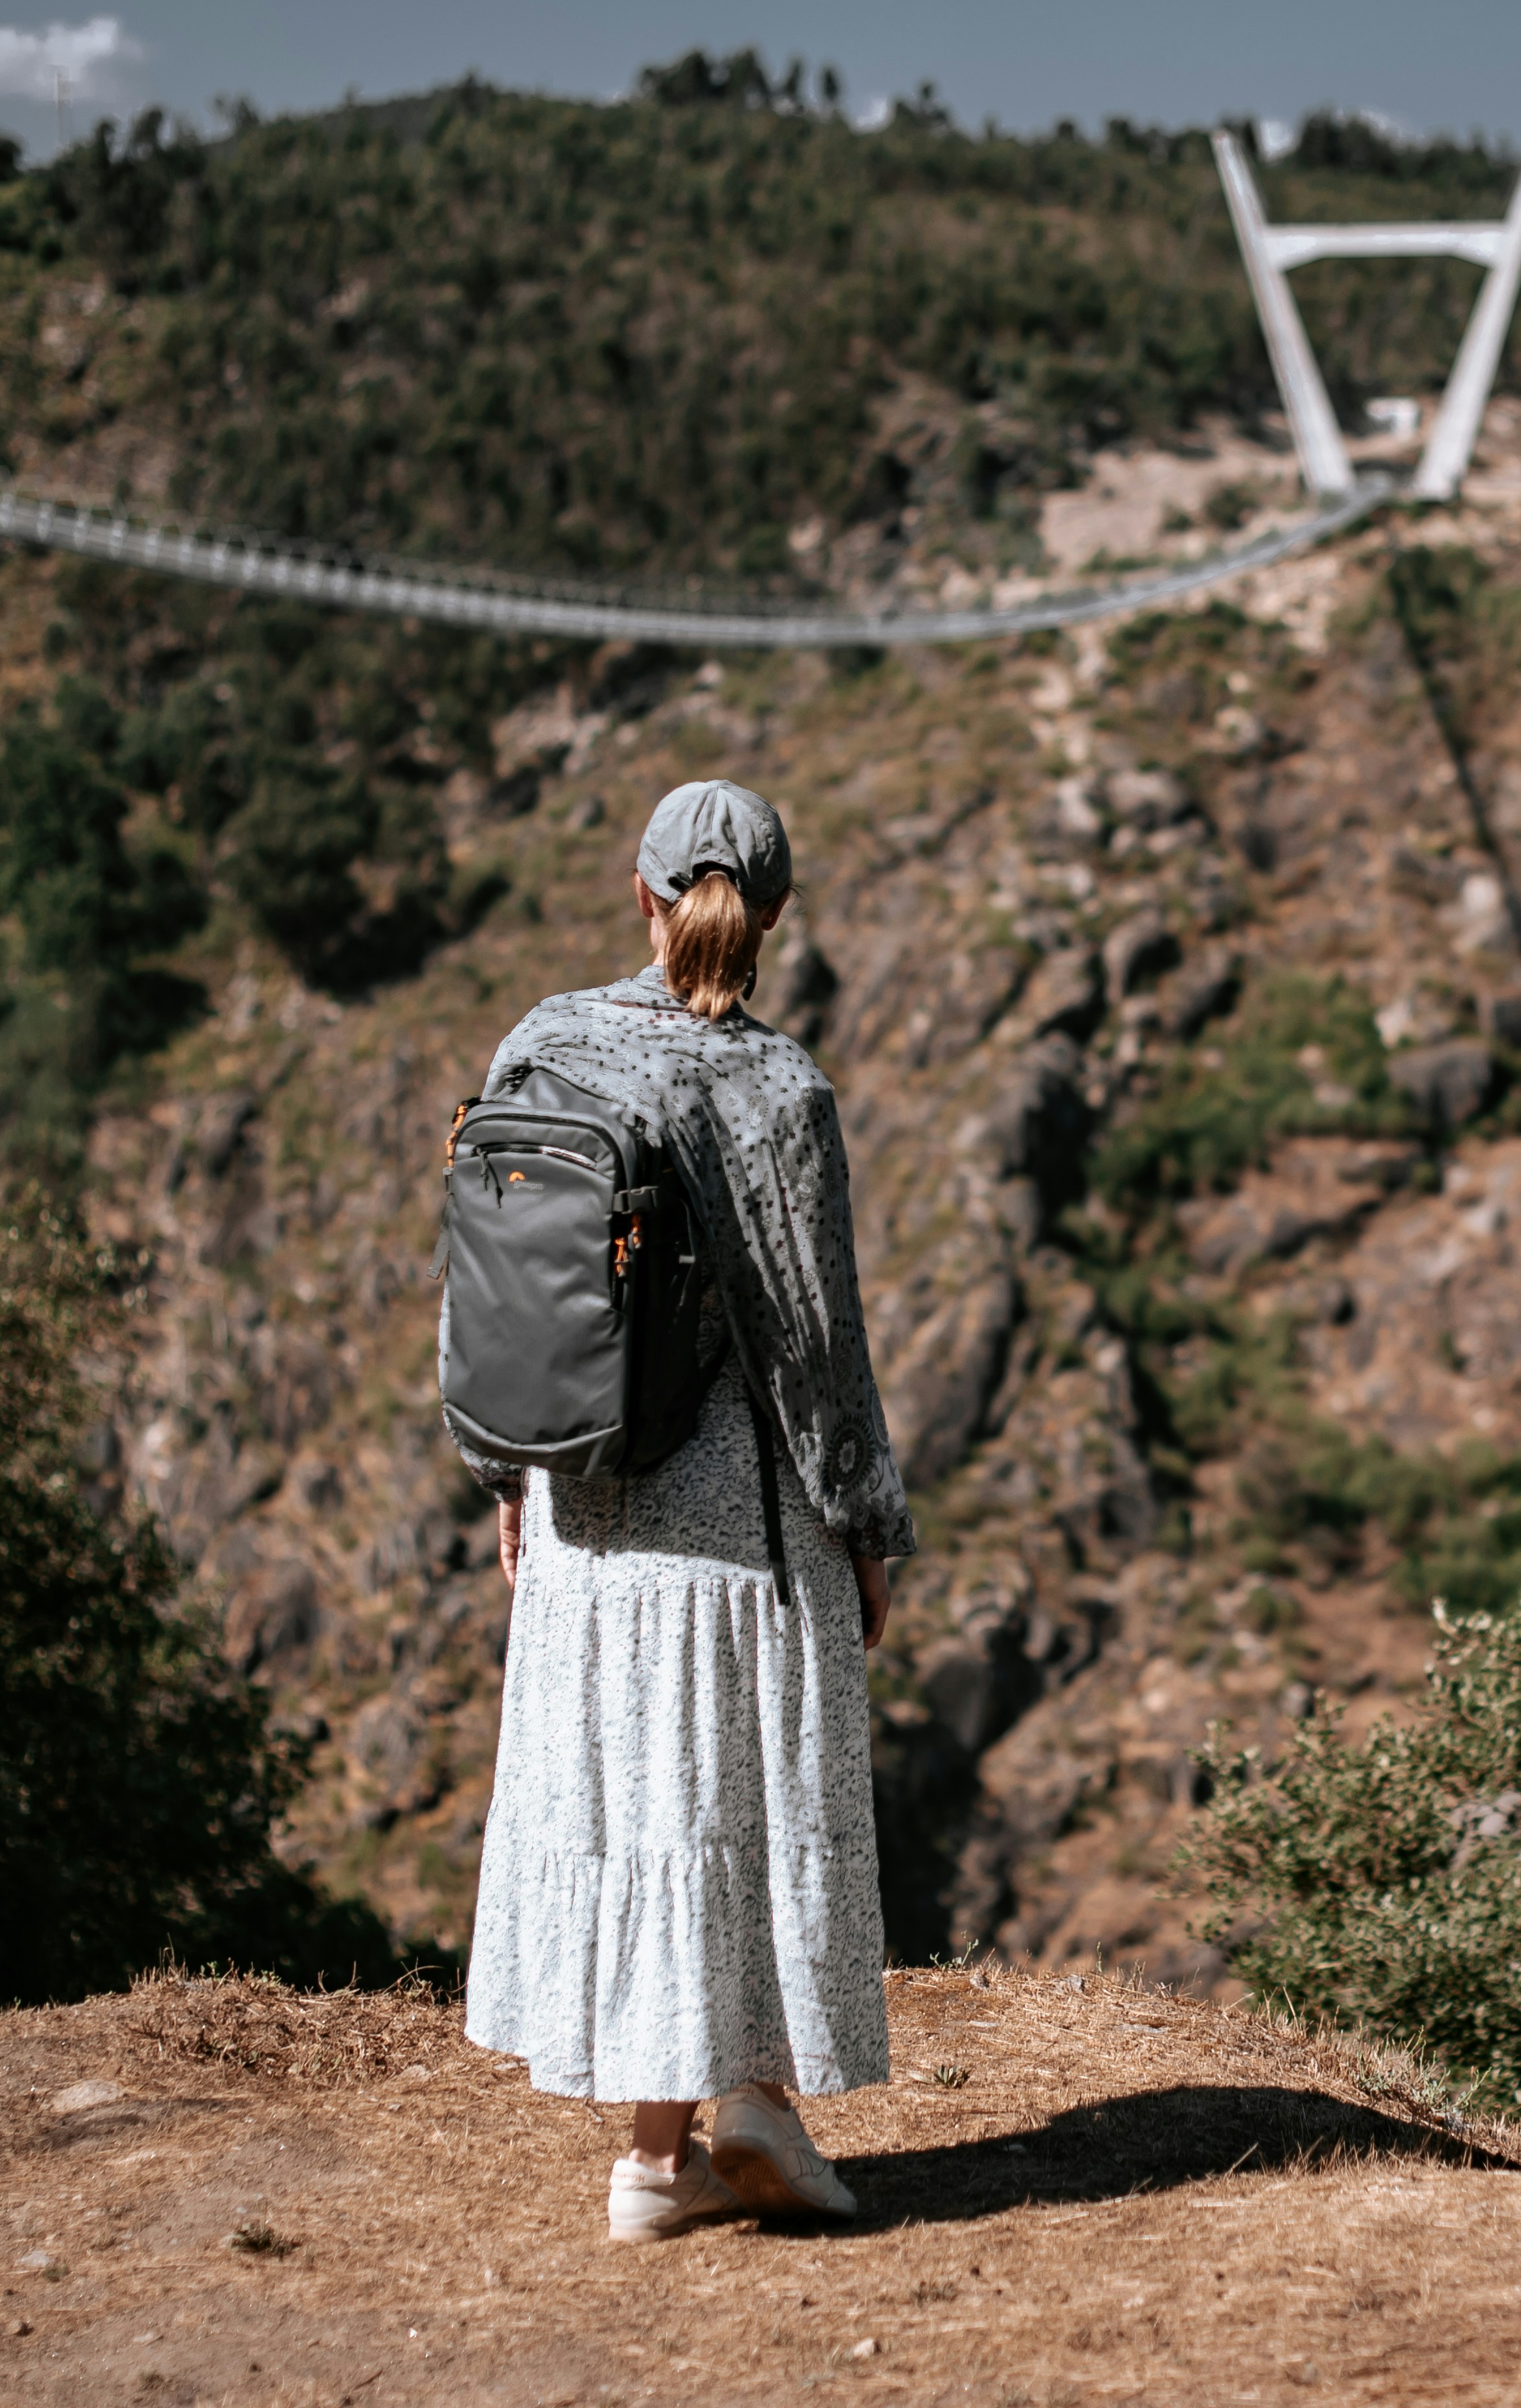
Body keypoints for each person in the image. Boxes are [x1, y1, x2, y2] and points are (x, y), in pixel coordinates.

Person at [453, 777, 914, 2242]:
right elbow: (812, 1341)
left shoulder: (541, 1040)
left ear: (636, 891)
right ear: (772, 917)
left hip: (583, 1497)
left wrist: (507, 1475)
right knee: (732, 1797)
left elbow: (487, 1277)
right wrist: (863, 1521)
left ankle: (750, 2112)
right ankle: (660, 2161)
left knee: (654, 1805)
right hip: (736, 1525)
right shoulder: (777, 1092)